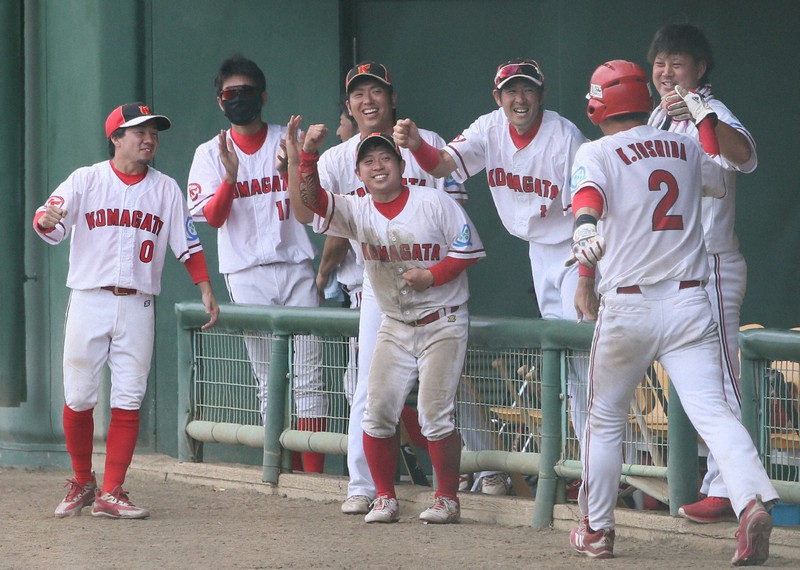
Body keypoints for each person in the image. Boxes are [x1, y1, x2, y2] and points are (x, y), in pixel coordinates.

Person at [567, 59, 777, 566]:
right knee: (714, 412)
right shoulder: (684, 143)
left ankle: (597, 530)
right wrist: (703, 118)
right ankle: (750, 499)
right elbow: (724, 173)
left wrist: (585, 246)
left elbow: (589, 200)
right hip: (689, 301)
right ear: (643, 98)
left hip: (628, 305)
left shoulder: (594, 149)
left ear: (598, 104)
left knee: (603, 418)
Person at [316, 62, 506, 516]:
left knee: (445, 391)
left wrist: (438, 274)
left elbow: (455, 218)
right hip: (378, 288)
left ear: (392, 97)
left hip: (435, 291)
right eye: (358, 94)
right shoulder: (340, 157)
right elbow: (326, 215)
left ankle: (485, 472)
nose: (368, 100)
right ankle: (364, 486)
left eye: (376, 91)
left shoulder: (430, 143)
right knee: (369, 391)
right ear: (348, 105)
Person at [393, 57, 595, 473]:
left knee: (585, 358)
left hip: (579, 247)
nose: (519, 99)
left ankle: (606, 464)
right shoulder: (490, 127)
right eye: (510, 91)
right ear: (497, 97)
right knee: (568, 362)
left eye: (527, 90)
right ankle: (590, 466)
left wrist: (587, 277)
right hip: (540, 250)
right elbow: (445, 165)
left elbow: (585, 210)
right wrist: (416, 146)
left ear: (542, 94)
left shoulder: (565, 136)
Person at [287, 118, 486, 524]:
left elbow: (468, 250)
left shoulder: (434, 201)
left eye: (386, 158)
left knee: (435, 414)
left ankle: (447, 497)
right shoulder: (357, 208)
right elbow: (312, 201)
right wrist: (306, 156)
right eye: (369, 161)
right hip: (394, 324)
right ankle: (384, 497)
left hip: (442, 321)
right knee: (376, 412)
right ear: (358, 173)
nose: (378, 166)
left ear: (402, 164)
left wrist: (433, 275)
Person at [35, 102, 220, 519]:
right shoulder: (86, 179)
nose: (149, 138)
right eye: (139, 131)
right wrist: (47, 220)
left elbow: (187, 244)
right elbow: (50, 221)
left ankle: (112, 490)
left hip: (138, 303)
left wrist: (205, 286)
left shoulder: (166, 188)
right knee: (79, 397)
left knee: (129, 398)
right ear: (116, 137)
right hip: (89, 298)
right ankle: (83, 481)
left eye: (153, 132)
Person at [186, 55, 326, 472]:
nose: (239, 99)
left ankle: (313, 477)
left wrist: (297, 164)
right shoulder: (210, 153)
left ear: (263, 96)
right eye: (231, 93)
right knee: (270, 383)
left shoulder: (290, 140)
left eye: (247, 92)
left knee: (309, 379)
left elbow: (313, 208)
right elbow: (211, 217)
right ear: (219, 101)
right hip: (246, 273)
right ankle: (280, 473)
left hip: (296, 266)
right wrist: (230, 178)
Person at [647, 22, 757, 524]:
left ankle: (733, 490)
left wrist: (703, 113)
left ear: (700, 68)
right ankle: (713, 485)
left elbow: (744, 157)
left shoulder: (710, 109)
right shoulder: (658, 115)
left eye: (677, 62)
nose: (666, 72)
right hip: (674, 268)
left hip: (711, 264)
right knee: (696, 384)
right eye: (660, 63)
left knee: (724, 383)